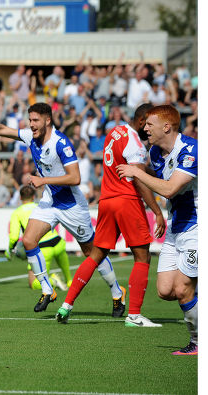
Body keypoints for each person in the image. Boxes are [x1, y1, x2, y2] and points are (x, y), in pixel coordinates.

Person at [0, 103, 124, 314]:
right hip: (49, 201)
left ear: (48, 120)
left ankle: (117, 292)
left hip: (71, 205)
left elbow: (75, 177)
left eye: (35, 120)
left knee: (91, 252)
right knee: (28, 240)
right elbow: (2, 130)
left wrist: (43, 180)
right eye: (30, 120)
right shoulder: (31, 137)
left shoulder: (61, 143)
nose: (31, 124)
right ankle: (48, 290)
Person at [55, 103, 166, 326]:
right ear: (142, 120)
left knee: (96, 254)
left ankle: (66, 305)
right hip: (127, 200)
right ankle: (134, 315)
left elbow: (126, 165)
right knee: (142, 256)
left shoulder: (114, 132)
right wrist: (157, 211)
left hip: (107, 200)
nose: (150, 130)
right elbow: (138, 178)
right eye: (150, 124)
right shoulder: (135, 141)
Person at [116, 105, 197, 355]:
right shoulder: (156, 151)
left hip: (197, 226)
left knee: (183, 288)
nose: (145, 127)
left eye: (150, 124)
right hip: (176, 227)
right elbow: (159, 175)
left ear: (167, 127)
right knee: (165, 290)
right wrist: (141, 169)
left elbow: (170, 189)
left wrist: (134, 171)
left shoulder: (192, 150)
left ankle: (197, 342)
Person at [6, 185, 71, 291]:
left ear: (20, 198)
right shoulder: (40, 206)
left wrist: (9, 251)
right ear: (33, 197)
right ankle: (69, 281)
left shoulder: (17, 212)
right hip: (58, 242)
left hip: (42, 248)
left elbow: (13, 237)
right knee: (65, 267)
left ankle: (53, 280)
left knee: (34, 283)